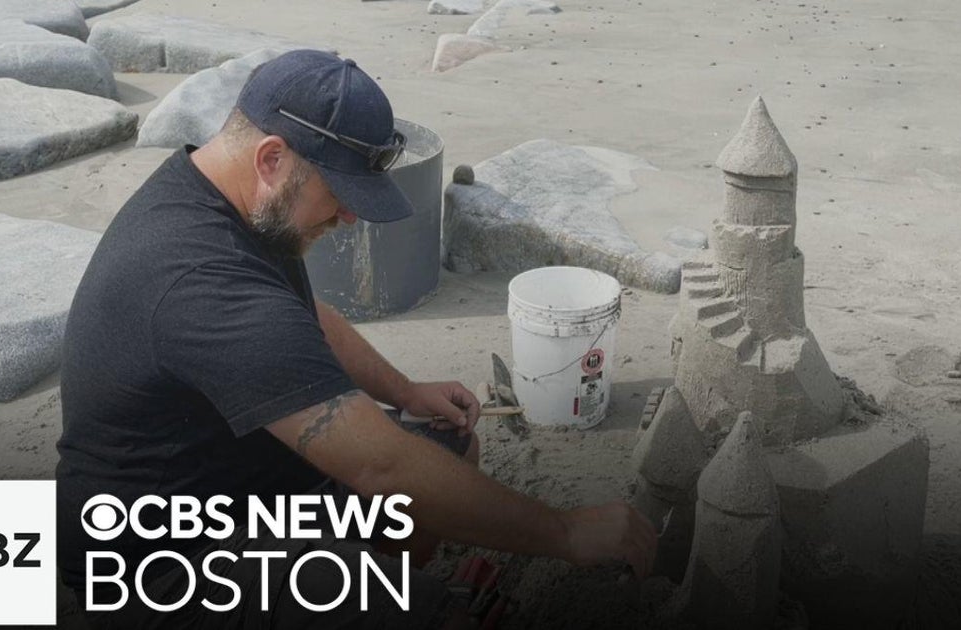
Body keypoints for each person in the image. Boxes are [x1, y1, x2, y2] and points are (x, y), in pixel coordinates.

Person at [56, 49, 656, 629]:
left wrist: (406, 390)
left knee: (451, 451)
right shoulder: (198, 280)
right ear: (272, 159)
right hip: (156, 563)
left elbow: (303, 315)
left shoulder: (222, 195)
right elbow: (380, 468)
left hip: (246, 489)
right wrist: (568, 533)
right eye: (341, 195)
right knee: (428, 601)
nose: (350, 216)